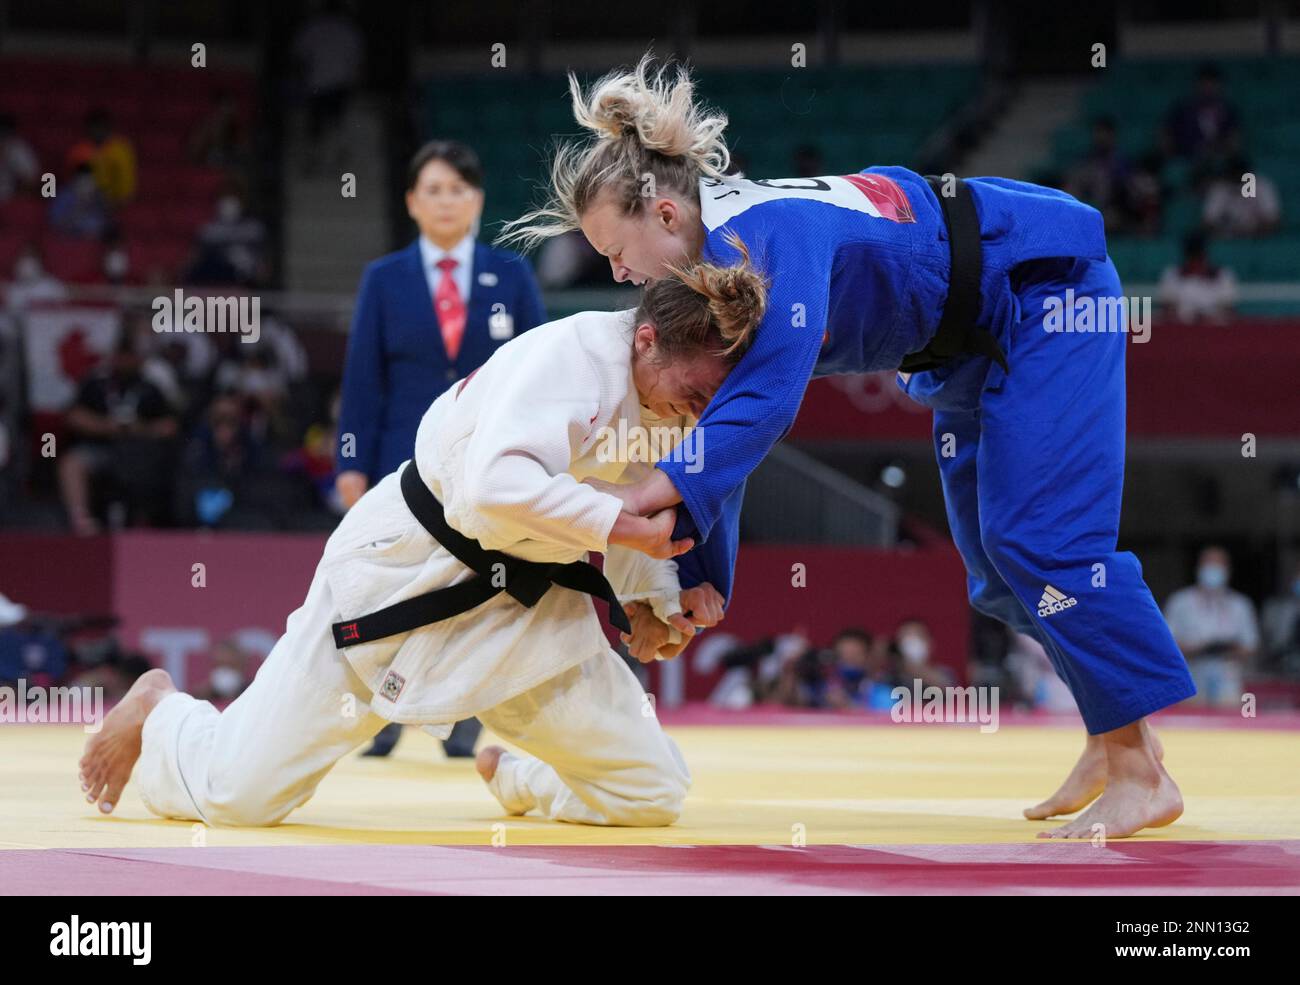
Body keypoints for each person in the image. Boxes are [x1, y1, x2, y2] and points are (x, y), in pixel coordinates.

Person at [503, 54, 1196, 839]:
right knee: (996, 571)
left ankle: (1140, 769)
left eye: (615, 249)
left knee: (1041, 539)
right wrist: (697, 581)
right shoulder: (718, 265)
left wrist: (636, 501)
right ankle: (1117, 735)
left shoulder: (765, 234)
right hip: (962, 344)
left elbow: (763, 404)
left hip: (1043, 289)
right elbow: (722, 421)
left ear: (667, 215)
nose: (619, 273)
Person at [77, 252, 753, 827]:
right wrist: (627, 523)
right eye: (695, 390)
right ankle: (162, 711)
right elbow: (495, 489)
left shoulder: (666, 405)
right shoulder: (568, 360)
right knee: (236, 794)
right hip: (408, 576)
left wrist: (650, 600)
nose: (699, 410)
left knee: (651, 791)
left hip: (525, 611)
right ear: (646, 340)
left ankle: (518, 776)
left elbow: (623, 493)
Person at [336, 140, 547, 757]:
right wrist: (350, 461)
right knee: (391, 586)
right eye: (433, 190)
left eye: (458, 189)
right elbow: (361, 379)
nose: (446, 201)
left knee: (472, 582)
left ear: (478, 199)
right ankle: (381, 718)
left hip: (486, 464)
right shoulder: (384, 280)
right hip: (398, 463)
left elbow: (538, 373)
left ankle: (462, 719)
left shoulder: (512, 275)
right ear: (411, 202)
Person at [1164, 546, 1259, 708]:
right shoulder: (1180, 602)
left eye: (1218, 566)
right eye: (1209, 564)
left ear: (1227, 570)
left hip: (1228, 683)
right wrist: (1198, 649)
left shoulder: (1240, 605)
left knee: (1230, 729)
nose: (1213, 570)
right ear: (1199, 568)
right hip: (1191, 684)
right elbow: (1165, 644)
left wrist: (1226, 648)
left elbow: (1251, 645)